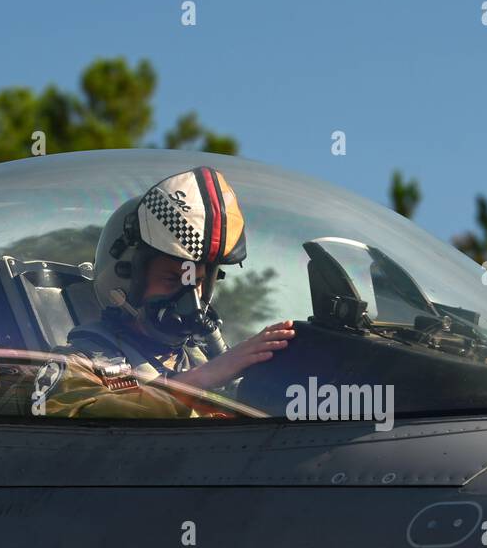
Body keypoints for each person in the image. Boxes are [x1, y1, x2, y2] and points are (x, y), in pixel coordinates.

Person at [32, 166, 294, 418]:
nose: (189, 298)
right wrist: (198, 380)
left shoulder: (200, 358)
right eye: (171, 279)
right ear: (125, 278)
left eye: (198, 280)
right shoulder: (78, 363)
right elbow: (82, 418)